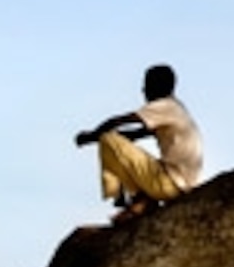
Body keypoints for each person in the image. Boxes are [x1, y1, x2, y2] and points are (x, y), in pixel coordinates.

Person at [75, 64, 205, 217]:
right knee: (111, 141)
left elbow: (118, 121)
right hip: (182, 183)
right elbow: (133, 135)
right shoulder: (176, 109)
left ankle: (123, 195)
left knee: (107, 139)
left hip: (169, 183)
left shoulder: (164, 106)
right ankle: (143, 200)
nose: (143, 91)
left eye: (146, 86)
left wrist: (92, 135)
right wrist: (94, 139)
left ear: (156, 87)